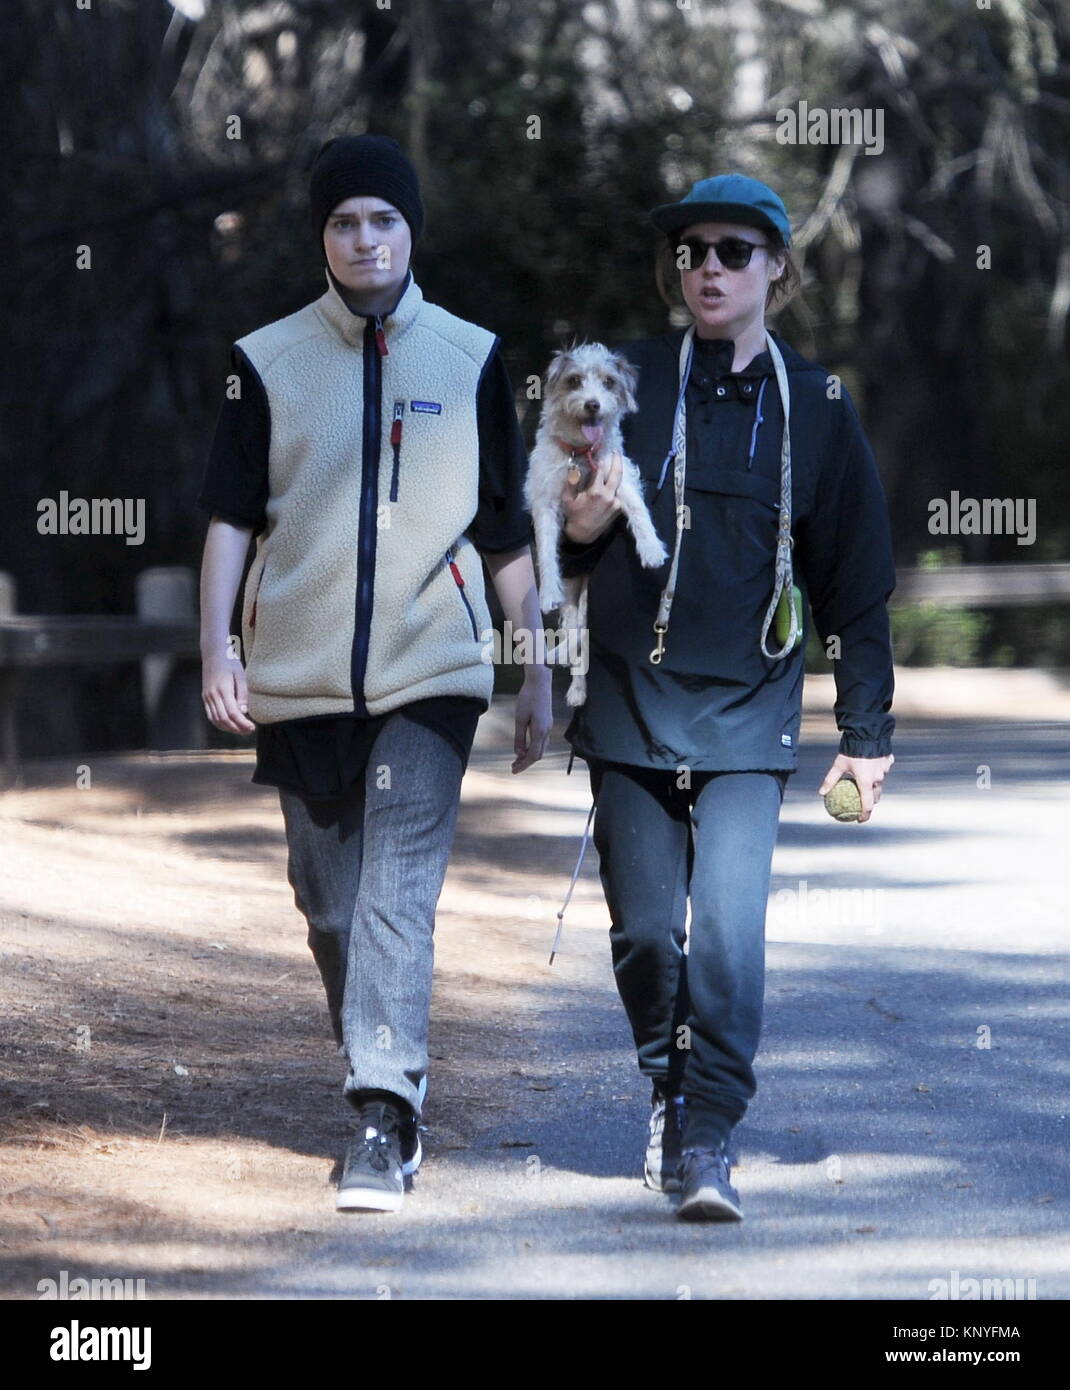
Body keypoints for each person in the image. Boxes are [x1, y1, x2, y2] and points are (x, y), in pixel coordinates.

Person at [197, 134, 552, 1213]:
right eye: (345, 222)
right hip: (300, 679)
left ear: (410, 231)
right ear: (323, 237)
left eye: (382, 220)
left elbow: (503, 532)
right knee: (331, 907)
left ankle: (382, 1115)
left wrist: (533, 666)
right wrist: (216, 643)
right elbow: (225, 518)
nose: (364, 239)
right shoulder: (263, 361)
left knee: (398, 897)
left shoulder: (471, 355)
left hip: (430, 671)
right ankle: (381, 1060)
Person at [557, 174, 896, 1222]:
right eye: (692, 250)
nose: (707, 267)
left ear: (776, 269)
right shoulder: (624, 382)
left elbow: (855, 577)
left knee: (733, 933)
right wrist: (579, 520)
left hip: (751, 713)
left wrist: (863, 731)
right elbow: (558, 539)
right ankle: (668, 1082)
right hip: (627, 699)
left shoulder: (820, 406)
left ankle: (707, 1132)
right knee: (648, 935)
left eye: (732, 251)